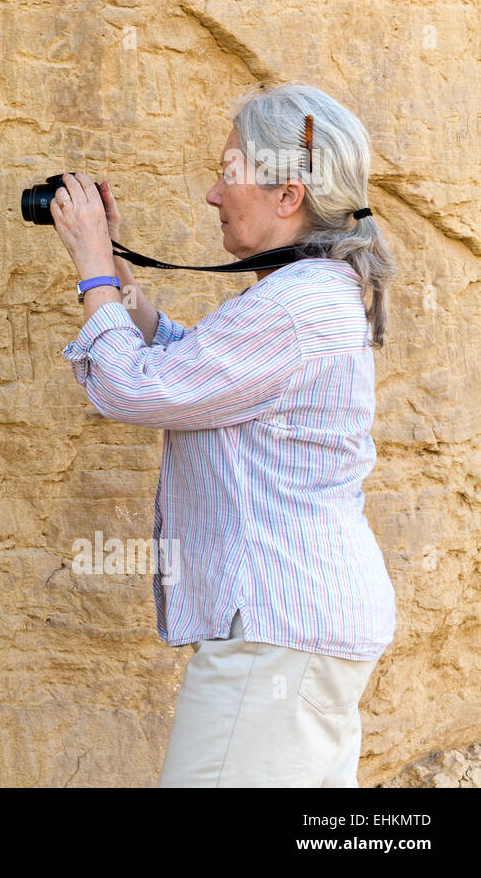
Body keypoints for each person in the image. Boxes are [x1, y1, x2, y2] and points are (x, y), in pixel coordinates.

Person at [51, 81, 397, 787]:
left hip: (280, 637)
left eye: (227, 171)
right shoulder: (307, 292)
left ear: (288, 196)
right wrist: (127, 289)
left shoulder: (294, 305)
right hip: (308, 628)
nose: (212, 193)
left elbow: (137, 387)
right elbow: (202, 373)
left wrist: (92, 271)